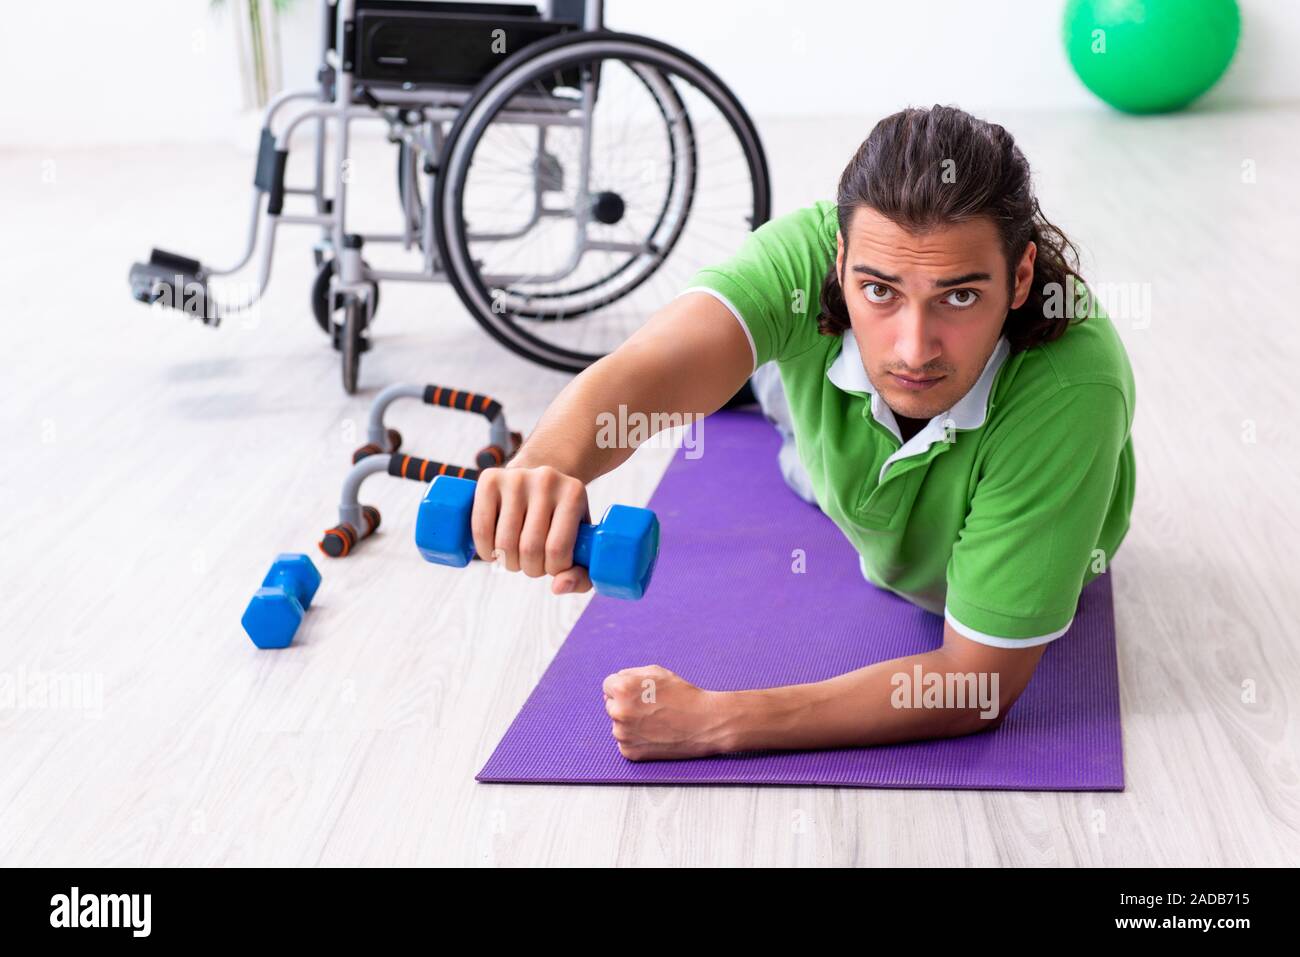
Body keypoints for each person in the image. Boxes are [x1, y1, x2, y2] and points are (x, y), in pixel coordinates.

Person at [471, 105, 1136, 760]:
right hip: (833, 453)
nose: (913, 347)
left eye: (958, 296)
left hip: (976, 490)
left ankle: (770, 379)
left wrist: (720, 721)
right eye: (879, 291)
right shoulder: (809, 255)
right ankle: (763, 373)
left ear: (1020, 277)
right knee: (775, 410)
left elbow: (975, 683)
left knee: (797, 437)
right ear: (840, 261)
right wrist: (547, 466)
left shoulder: (1071, 391)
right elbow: (655, 365)